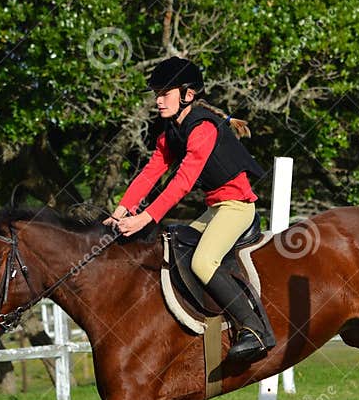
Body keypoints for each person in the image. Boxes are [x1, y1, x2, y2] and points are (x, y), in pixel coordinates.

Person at [104, 56, 275, 363]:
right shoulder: (170, 131)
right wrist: (120, 211)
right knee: (171, 246)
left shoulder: (203, 128)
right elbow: (151, 173)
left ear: (188, 94)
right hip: (215, 210)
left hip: (237, 209)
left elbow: (183, 182)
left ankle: (254, 329)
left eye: (164, 93)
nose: (158, 100)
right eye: (156, 93)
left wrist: (144, 217)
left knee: (203, 262)